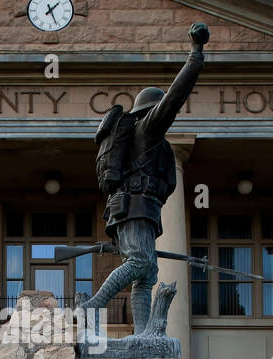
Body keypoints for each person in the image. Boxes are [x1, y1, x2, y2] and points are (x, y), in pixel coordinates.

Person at [79, 22, 209, 335]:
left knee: (147, 275)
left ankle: (141, 335)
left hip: (140, 208)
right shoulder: (147, 132)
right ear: (151, 113)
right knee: (139, 262)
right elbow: (175, 97)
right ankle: (95, 304)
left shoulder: (147, 139)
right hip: (134, 206)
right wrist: (196, 55)